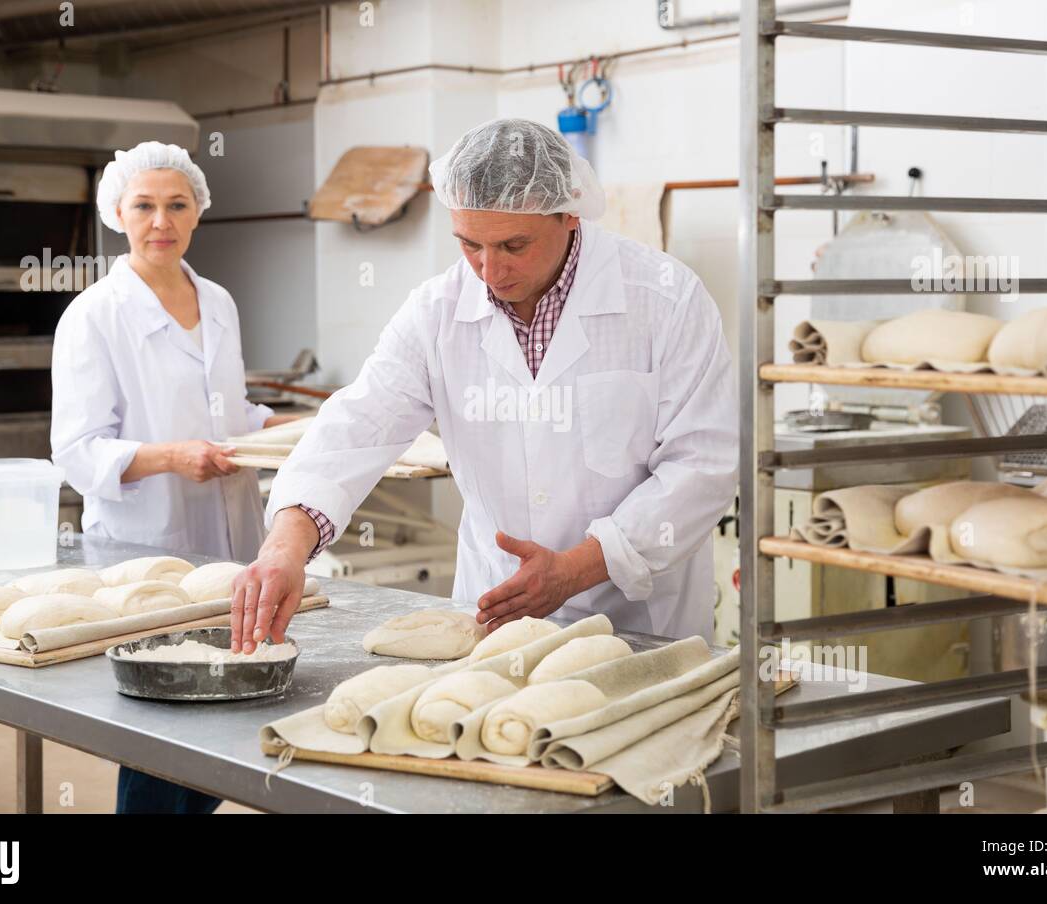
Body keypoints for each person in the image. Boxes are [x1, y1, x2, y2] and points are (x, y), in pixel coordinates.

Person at [231, 117, 738, 657]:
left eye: (514, 245)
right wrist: (286, 547)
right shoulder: (437, 311)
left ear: (569, 214)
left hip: (640, 622)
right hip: (493, 619)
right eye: (469, 244)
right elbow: (357, 425)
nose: (490, 270)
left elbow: (703, 463)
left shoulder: (664, 298)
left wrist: (581, 565)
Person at [51, 141, 298, 813]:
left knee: (223, 714)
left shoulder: (217, 300)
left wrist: (291, 427)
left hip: (230, 544)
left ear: (197, 213)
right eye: (145, 206)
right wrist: (170, 457)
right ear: (118, 214)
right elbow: (76, 448)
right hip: (148, 550)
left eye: (177, 205)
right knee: (163, 724)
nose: (161, 221)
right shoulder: (93, 315)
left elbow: (226, 410)